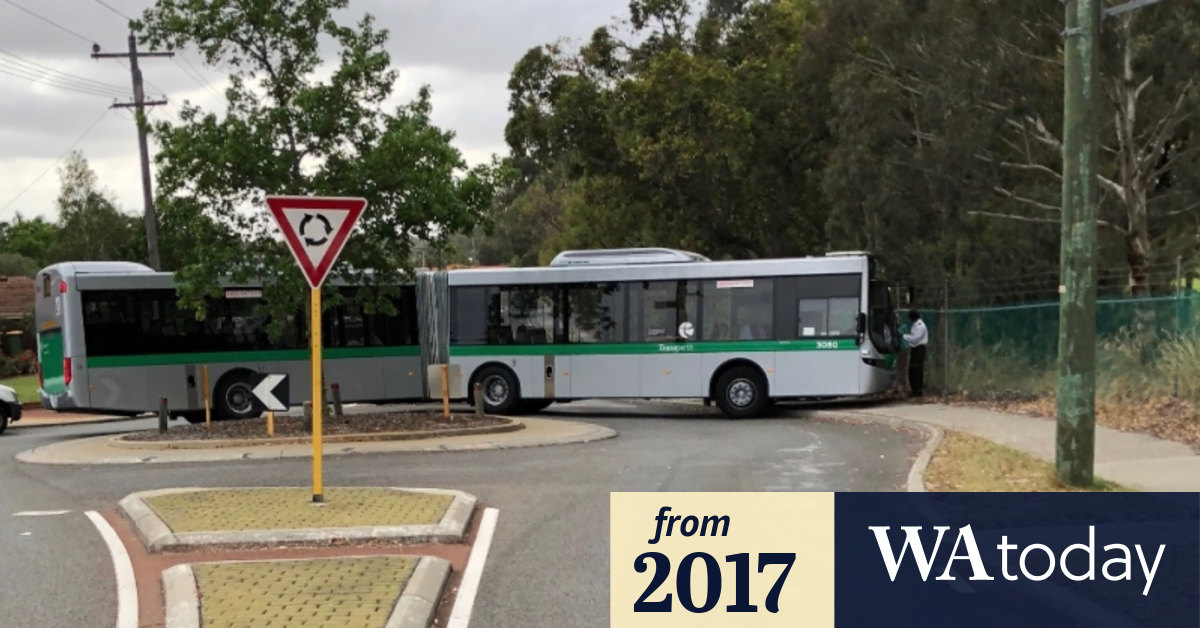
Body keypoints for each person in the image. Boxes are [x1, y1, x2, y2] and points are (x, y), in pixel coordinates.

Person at [903, 309, 929, 397]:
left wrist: (903, 336)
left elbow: (915, 339)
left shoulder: (920, 326)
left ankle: (918, 390)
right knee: (912, 369)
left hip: (919, 348)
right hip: (915, 348)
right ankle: (914, 389)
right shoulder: (915, 325)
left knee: (917, 369)